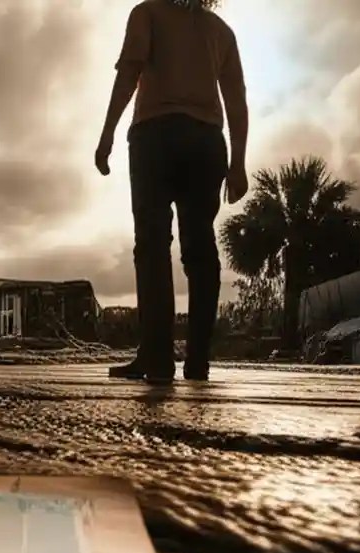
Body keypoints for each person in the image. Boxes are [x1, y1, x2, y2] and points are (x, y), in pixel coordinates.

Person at [95, 0, 249, 384]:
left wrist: (107, 132)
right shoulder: (220, 30)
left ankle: (158, 359)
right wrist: (239, 162)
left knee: (151, 244)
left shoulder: (147, 12)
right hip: (206, 140)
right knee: (199, 247)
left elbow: (130, 72)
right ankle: (197, 361)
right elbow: (236, 102)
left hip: (155, 135)